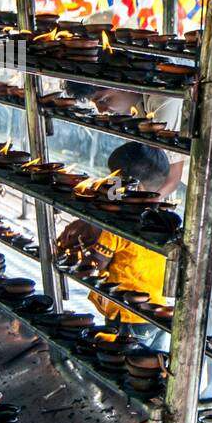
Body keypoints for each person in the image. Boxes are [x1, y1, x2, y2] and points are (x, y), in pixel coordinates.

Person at [61, 142, 171, 349]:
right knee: (153, 362)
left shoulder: (117, 227)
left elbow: (98, 263)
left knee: (123, 361)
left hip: (127, 312)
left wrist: (76, 257)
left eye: (113, 178)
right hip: (156, 310)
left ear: (134, 186)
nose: (109, 182)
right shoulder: (164, 219)